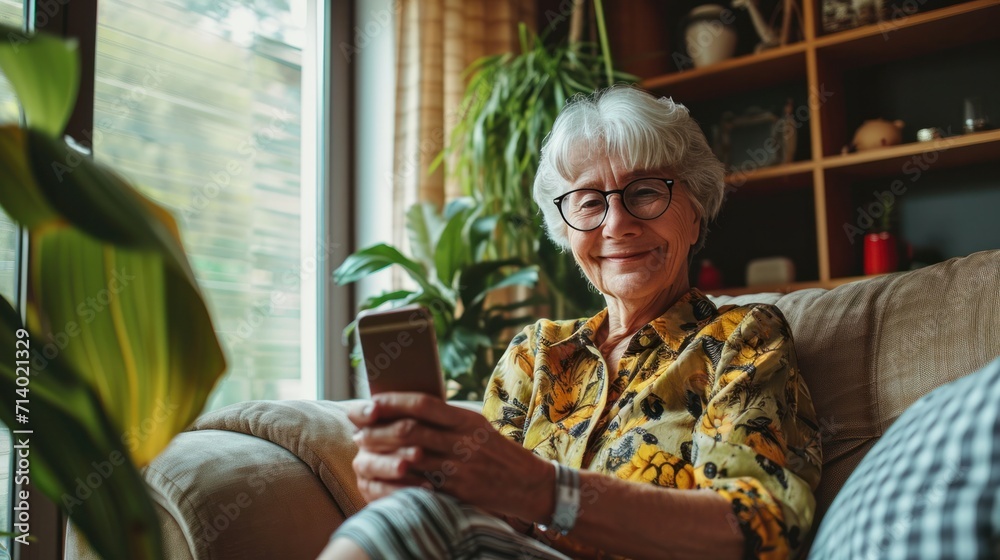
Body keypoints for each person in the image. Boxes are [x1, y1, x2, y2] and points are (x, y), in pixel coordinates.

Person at [319, 85, 822, 560]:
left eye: (645, 191)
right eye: (589, 202)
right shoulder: (535, 353)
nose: (617, 222)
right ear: (566, 230)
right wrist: (418, 478)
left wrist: (544, 491)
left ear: (694, 211)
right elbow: (481, 516)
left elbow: (763, 523)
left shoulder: (742, 337)